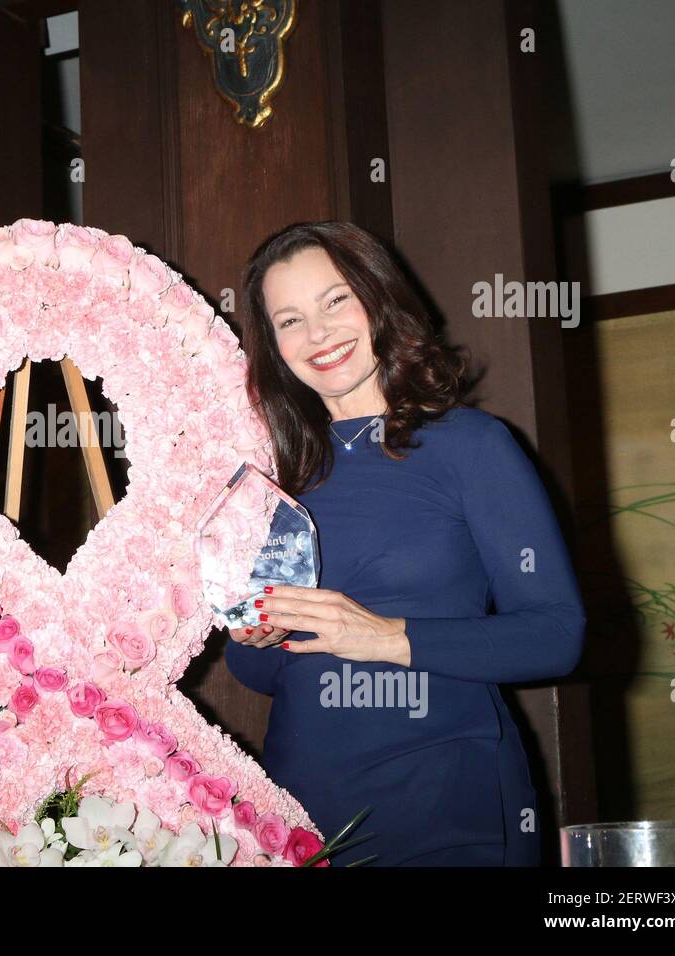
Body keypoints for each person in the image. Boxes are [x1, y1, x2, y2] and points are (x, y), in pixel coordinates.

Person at [225, 221, 586, 866]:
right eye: (289, 320)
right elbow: (261, 673)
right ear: (274, 347)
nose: (319, 333)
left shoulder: (471, 444)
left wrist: (389, 637)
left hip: (449, 809)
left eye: (336, 300)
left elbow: (558, 634)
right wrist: (258, 636)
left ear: (377, 298)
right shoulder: (271, 479)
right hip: (302, 819)